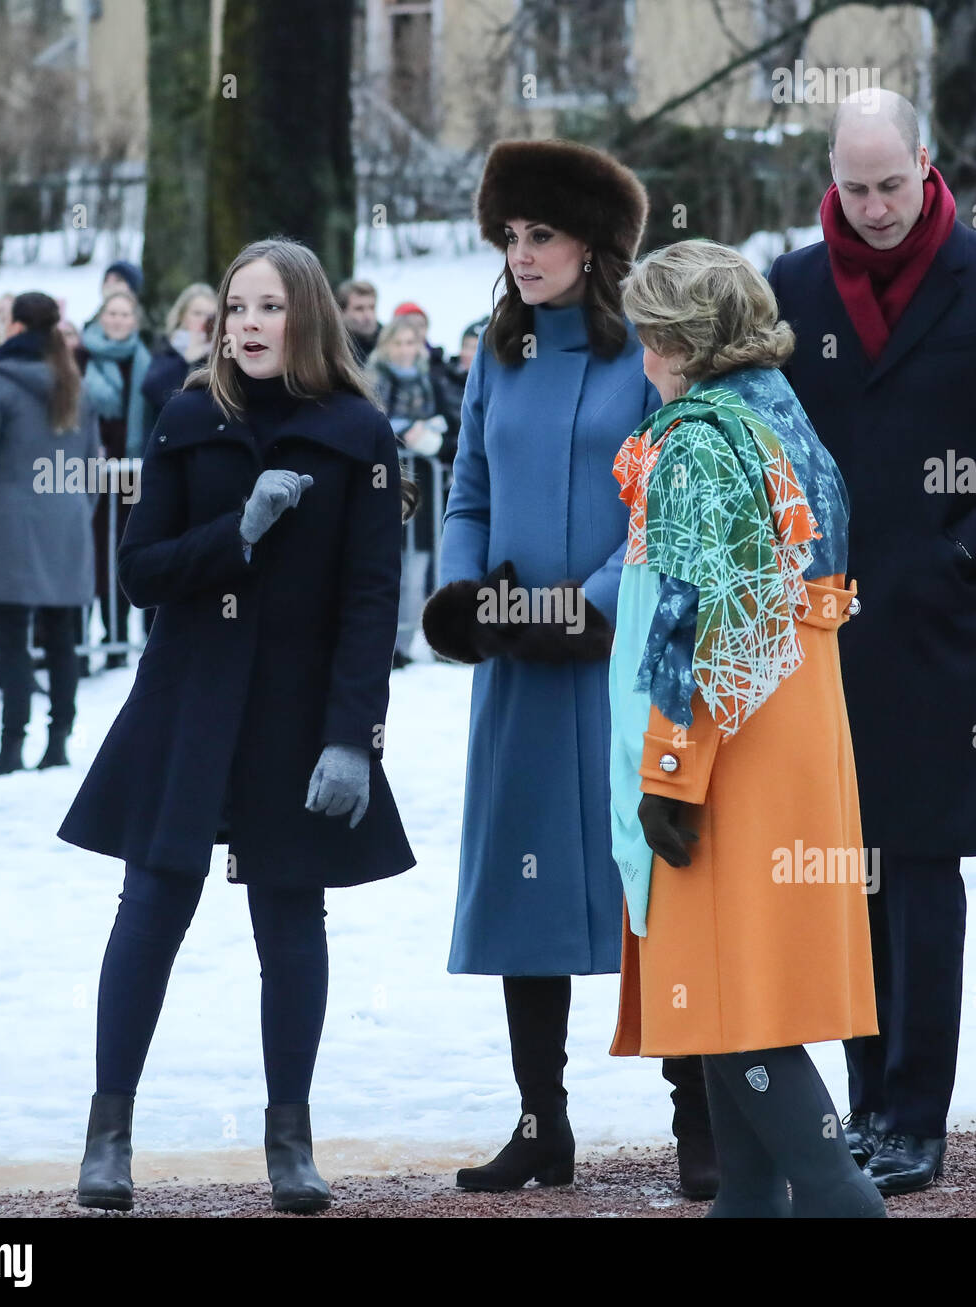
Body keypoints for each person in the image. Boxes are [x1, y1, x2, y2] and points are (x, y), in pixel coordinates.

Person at [767, 89, 976, 1195]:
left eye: (889, 186)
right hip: (819, 627)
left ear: (925, 163)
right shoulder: (795, 283)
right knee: (842, 870)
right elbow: (770, 437)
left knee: (920, 869)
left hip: (938, 627)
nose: (869, 209)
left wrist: (967, 548)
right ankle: (863, 1103)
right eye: (851, 189)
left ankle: (916, 1113)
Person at [57, 238, 417, 1215]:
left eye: (268, 307)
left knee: (291, 914)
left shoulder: (357, 432)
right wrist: (241, 532)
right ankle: (108, 1134)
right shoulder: (186, 419)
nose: (248, 324)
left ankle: (289, 1139)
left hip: (300, 709)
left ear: (306, 316)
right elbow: (140, 572)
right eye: (235, 307)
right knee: (152, 902)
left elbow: (370, 596)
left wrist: (352, 733)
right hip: (189, 695)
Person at [421, 139, 716, 1200]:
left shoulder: (648, 351)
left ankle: (699, 1118)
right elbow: (464, 490)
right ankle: (541, 1123)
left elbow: (661, 503)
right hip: (516, 672)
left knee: (655, 891)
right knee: (524, 901)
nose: (522, 252)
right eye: (510, 235)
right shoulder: (493, 357)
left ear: (592, 245)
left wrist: (581, 606)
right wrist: (465, 596)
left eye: (539, 233)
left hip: (621, 666)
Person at [609, 239, 884, 1218]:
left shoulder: (692, 439)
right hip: (798, 733)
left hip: (728, 755)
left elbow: (698, 614)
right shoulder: (782, 417)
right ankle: (751, 1201)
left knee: (734, 998)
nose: (640, 351)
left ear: (682, 340)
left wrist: (668, 772)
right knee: (731, 999)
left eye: (649, 332)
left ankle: (838, 1195)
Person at [0, 292, 101, 773]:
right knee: (61, 637)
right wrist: (75, 512)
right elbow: (93, 468)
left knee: (9, 635)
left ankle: (12, 746)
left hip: (8, 523)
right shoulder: (77, 385)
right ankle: (58, 742)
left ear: (13, 327)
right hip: (67, 520)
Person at [367, 316, 456, 666]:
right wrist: (406, 431)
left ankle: (405, 642)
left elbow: (448, 420)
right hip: (385, 482)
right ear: (387, 344)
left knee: (420, 563)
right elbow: (371, 419)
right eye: (399, 342)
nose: (405, 350)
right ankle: (386, 641)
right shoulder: (375, 378)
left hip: (424, 482)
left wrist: (433, 434)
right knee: (390, 564)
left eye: (411, 343)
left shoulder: (427, 379)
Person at [82, 288, 152, 668]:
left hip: (133, 475)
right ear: (100, 317)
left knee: (124, 556)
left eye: (126, 314)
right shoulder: (82, 356)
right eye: (112, 314)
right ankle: (86, 640)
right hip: (89, 474)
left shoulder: (144, 360)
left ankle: (118, 636)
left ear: (135, 321)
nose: (118, 321)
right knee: (92, 558)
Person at [142, 282, 215, 430]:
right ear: (182, 316)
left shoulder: (224, 352)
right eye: (197, 313)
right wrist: (186, 359)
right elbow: (152, 390)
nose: (203, 320)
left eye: (210, 315)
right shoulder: (168, 346)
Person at [335, 278, 380, 365]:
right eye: (359, 309)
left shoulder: (389, 341)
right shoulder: (333, 348)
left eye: (372, 307)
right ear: (341, 312)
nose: (368, 316)